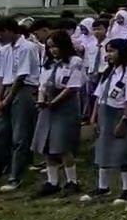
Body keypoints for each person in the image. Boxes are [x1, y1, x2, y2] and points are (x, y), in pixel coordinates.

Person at [0, 18, 41, 192]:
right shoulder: (3, 50)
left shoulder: (27, 47)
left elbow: (21, 76)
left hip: (23, 90)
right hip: (6, 89)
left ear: (10, 31)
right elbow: (0, 77)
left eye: (1, 33)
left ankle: (16, 175)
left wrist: (8, 99)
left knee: (19, 135)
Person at [31, 31, 86, 197]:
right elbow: (42, 85)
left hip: (65, 104)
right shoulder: (48, 64)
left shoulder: (74, 61)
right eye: (50, 47)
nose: (53, 50)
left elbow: (73, 86)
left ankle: (72, 181)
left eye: (55, 46)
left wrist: (55, 102)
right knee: (47, 144)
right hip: (48, 105)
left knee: (63, 144)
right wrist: (41, 100)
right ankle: (52, 181)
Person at [85, 37, 127, 204]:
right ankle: (103, 187)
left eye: (112, 51)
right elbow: (98, 96)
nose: (108, 55)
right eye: (107, 51)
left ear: (122, 52)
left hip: (119, 114)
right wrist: (94, 117)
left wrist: (124, 119)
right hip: (104, 113)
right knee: (103, 149)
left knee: (122, 151)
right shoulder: (108, 72)